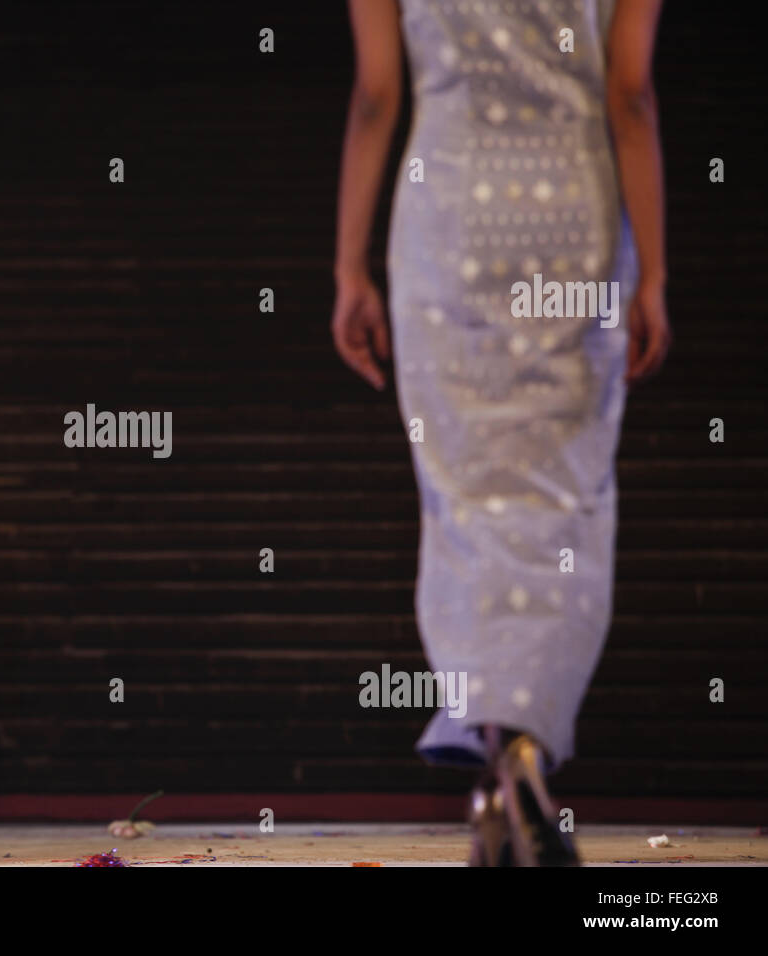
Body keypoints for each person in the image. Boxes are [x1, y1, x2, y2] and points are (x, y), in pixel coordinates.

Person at [332, 0, 669, 864]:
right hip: (575, 212)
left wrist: (347, 267)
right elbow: (630, 93)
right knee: (566, 491)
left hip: (448, 214)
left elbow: (376, 95)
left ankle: (492, 755)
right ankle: (523, 748)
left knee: (463, 493)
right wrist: (655, 275)